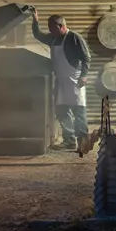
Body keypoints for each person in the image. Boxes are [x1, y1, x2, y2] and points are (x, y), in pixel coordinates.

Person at [35, 12, 91, 152]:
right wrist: (35, 20)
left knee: (78, 111)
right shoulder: (54, 38)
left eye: (52, 28)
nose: (49, 31)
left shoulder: (74, 37)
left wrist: (84, 75)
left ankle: (83, 142)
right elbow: (38, 35)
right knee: (61, 110)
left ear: (60, 26)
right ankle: (69, 140)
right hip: (61, 80)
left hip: (75, 80)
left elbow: (86, 57)